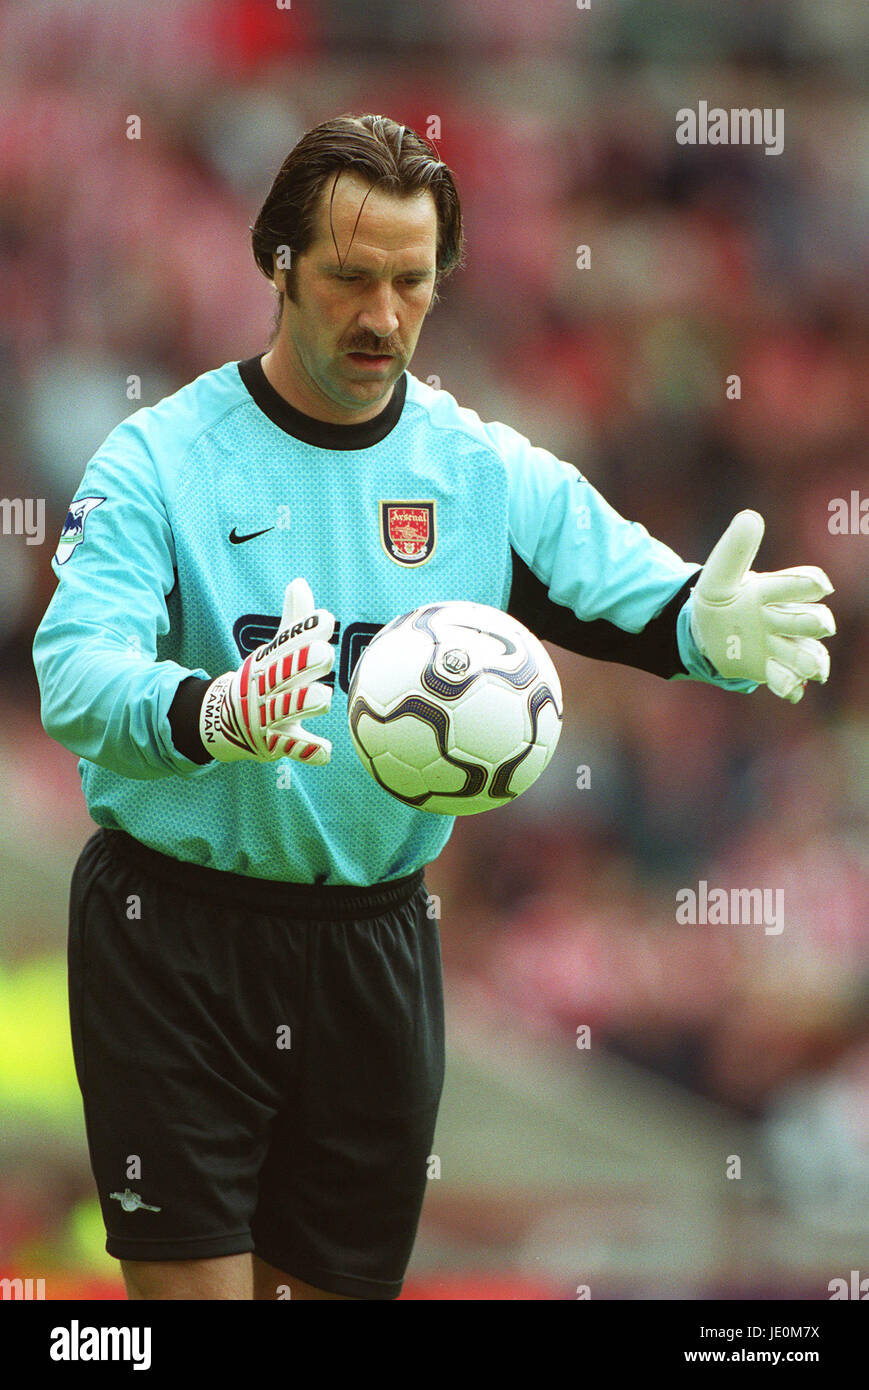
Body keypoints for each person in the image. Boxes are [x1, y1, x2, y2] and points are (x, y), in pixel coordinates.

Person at [32, 113, 836, 1301]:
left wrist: (703, 631)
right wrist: (208, 709)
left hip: (373, 943)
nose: (383, 314)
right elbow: (74, 672)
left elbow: (635, 593)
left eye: (412, 282)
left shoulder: (481, 472)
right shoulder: (160, 461)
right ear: (280, 268)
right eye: (351, 277)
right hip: (176, 935)